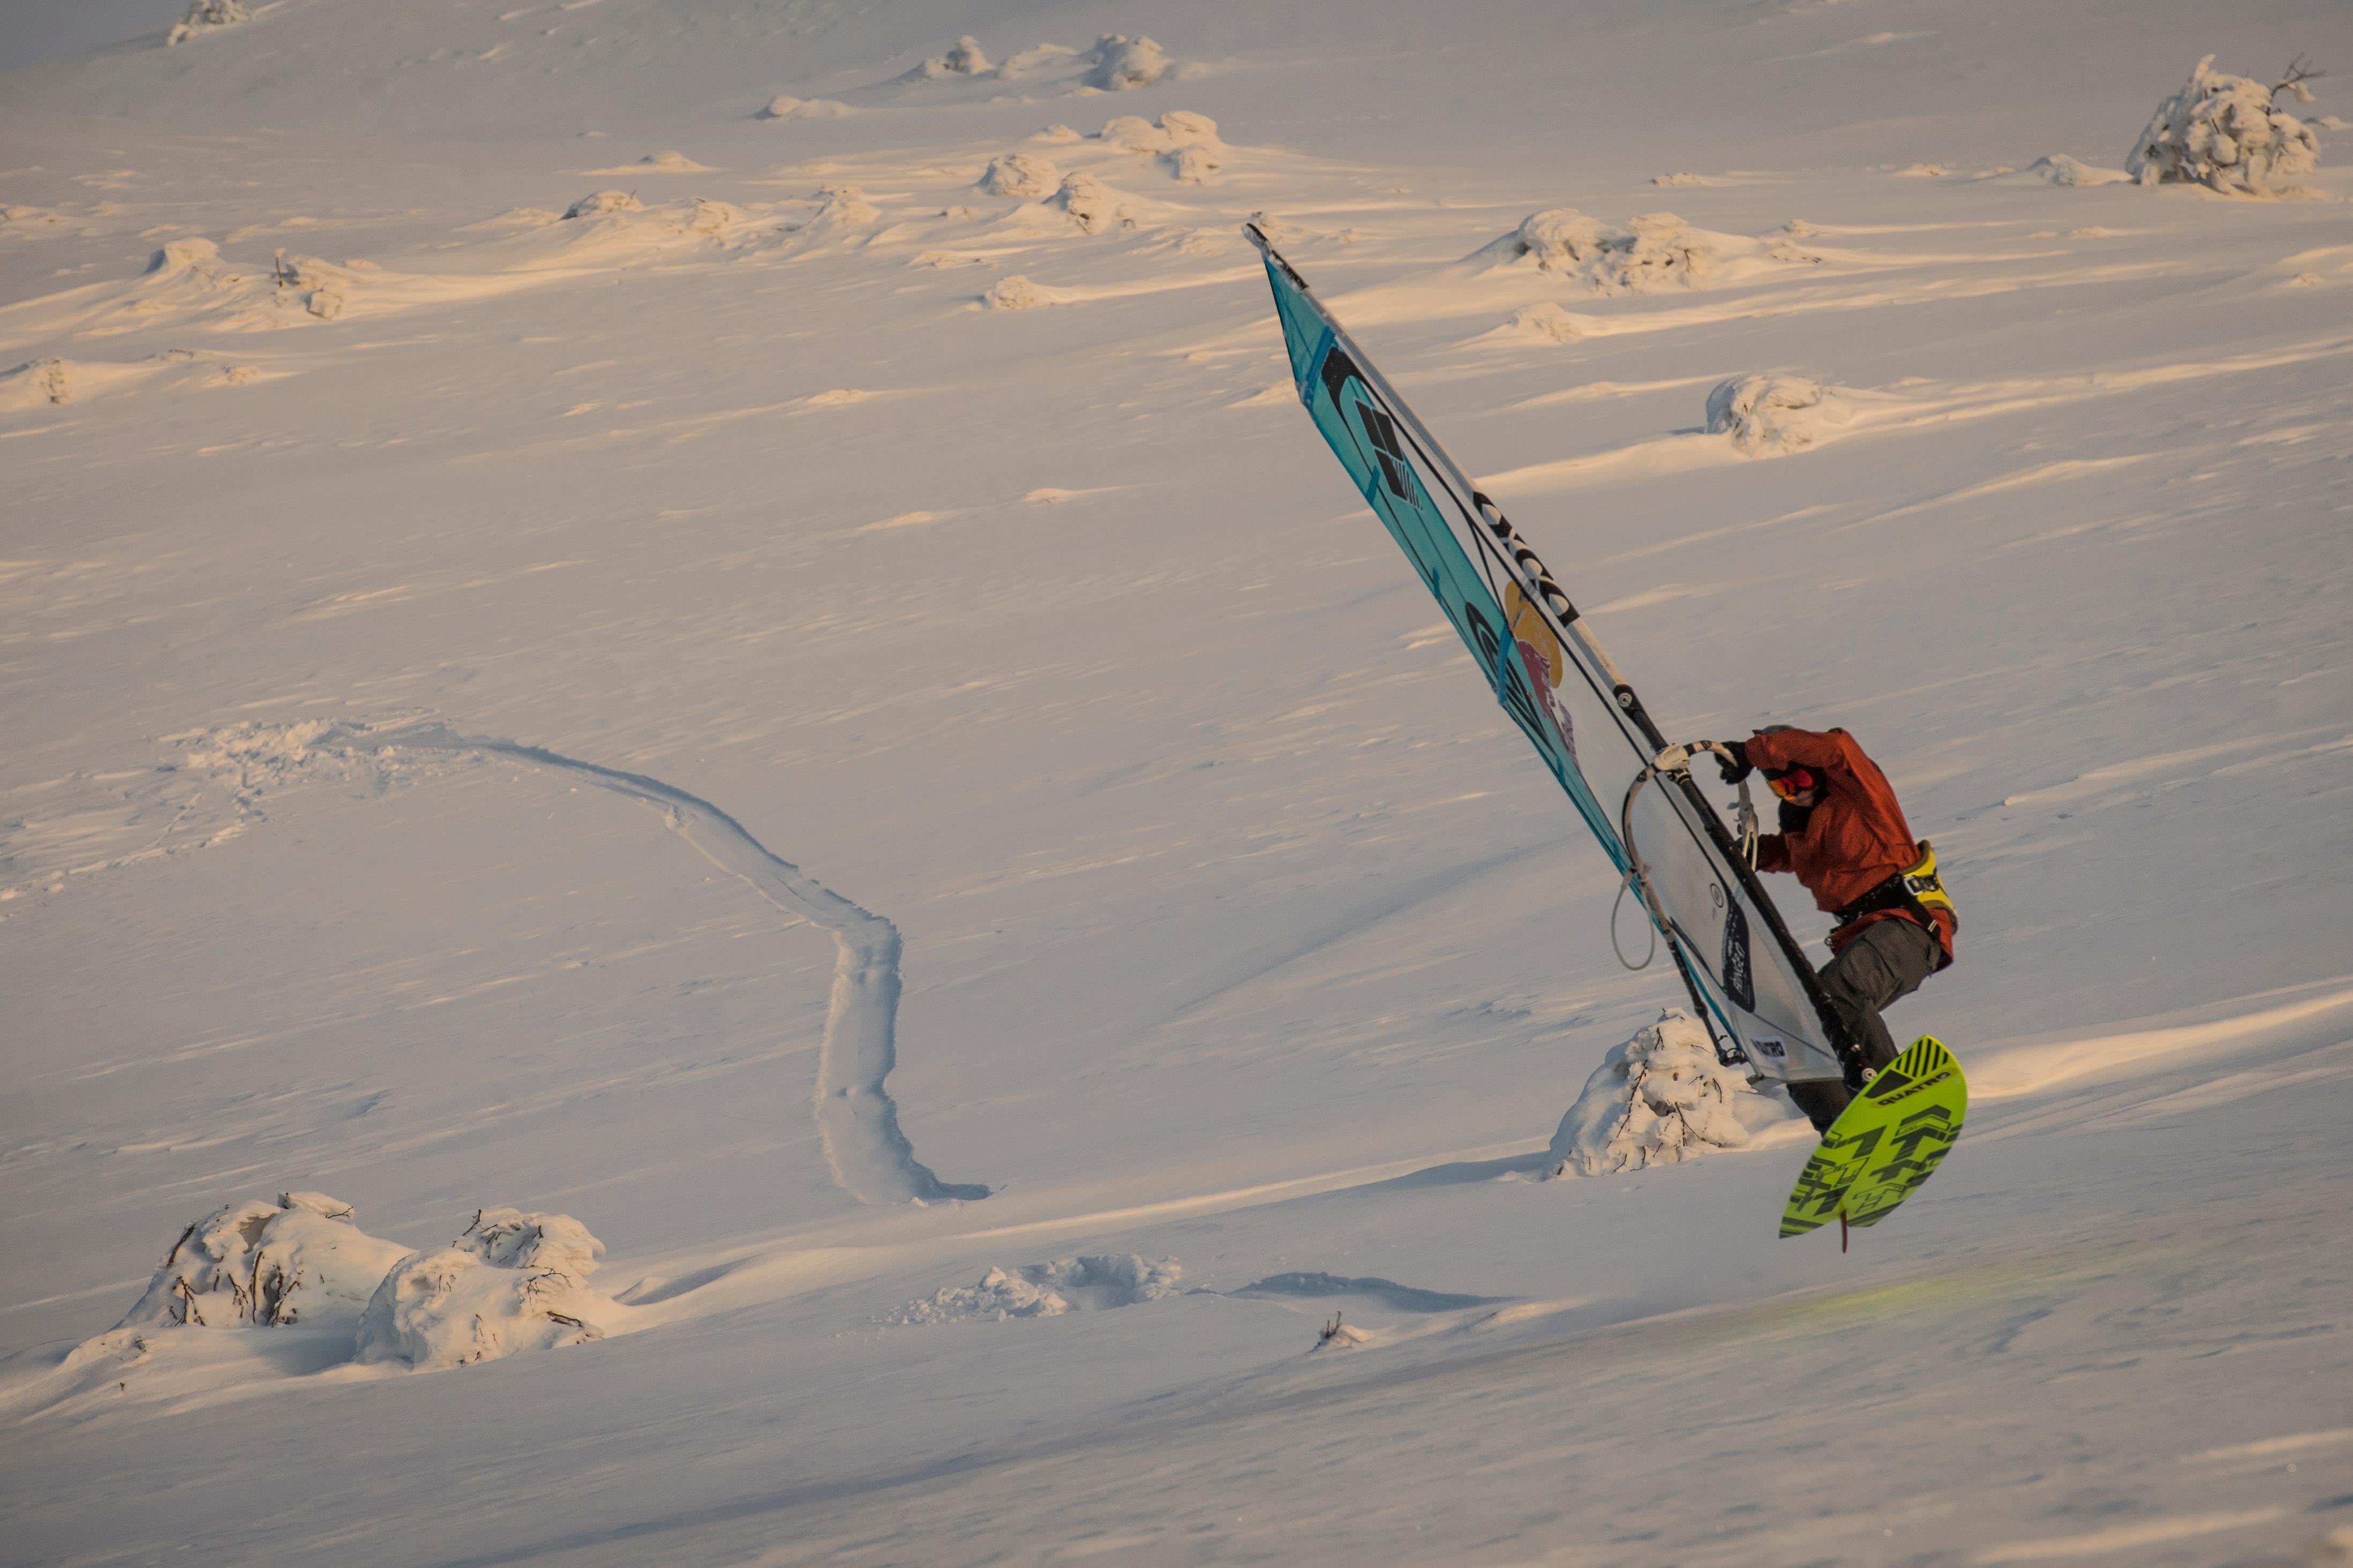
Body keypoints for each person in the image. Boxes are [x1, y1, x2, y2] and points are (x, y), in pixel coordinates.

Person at [1716, 725, 1956, 1133]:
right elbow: (1792, 855)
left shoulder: (1860, 795)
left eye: (1800, 780)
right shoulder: (1801, 824)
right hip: (1863, 935)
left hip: (1910, 923)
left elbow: (1838, 748)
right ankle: (1844, 1129)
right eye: (1782, 788)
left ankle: (1896, 1100)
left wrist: (1755, 751)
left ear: (1818, 772)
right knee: (1803, 1025)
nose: (1795, 792)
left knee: (1837, 992)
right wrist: (1751, 854)